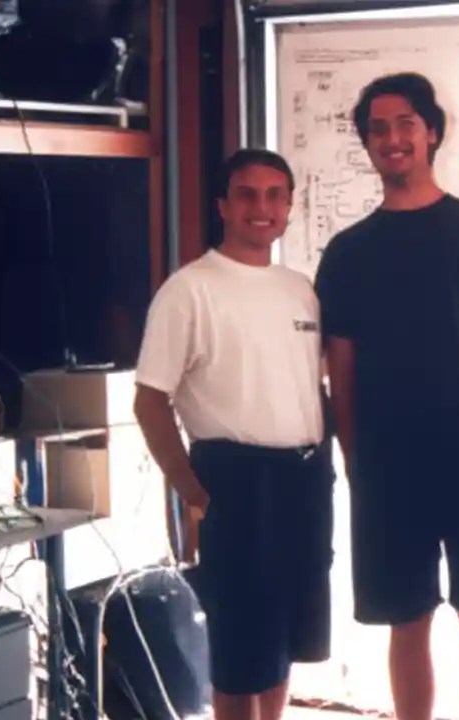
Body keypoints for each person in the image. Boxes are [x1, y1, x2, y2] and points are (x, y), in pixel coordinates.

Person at [315, 72, 459, 720]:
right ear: (367, 144)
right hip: (390, 469)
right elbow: (342, 367)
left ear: (432, 133)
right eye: (379, 129)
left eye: (405, 125)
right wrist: (357, 466)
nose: (393, 139)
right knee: (406, 622)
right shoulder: (348, 251)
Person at [133, 148, 333, 720]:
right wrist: (190, 490)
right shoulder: (189, 289)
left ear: (290, 207)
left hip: (306, 477)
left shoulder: (300, 290)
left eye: (275, 195)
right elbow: (150, 400)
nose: (262, 207)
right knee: (241, 649)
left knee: (286, 639)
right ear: (223, 205)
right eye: (247, 194)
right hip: (235, 480)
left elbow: (309, 382)